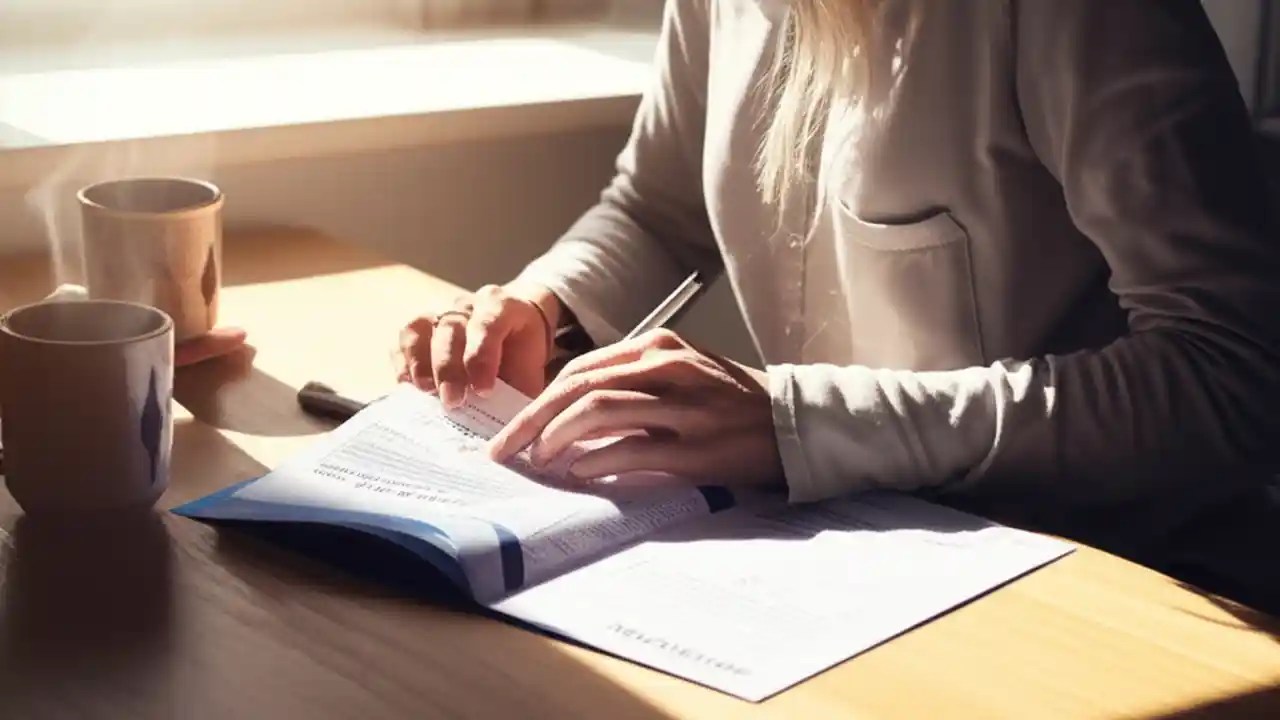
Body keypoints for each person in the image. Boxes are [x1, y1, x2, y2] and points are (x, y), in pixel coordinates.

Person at [396, 1, 1280, 612]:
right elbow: (656, 210)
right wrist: (546, 305)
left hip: (1111, 583)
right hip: (851, 564)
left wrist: (794, 420)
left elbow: (1233, 376)